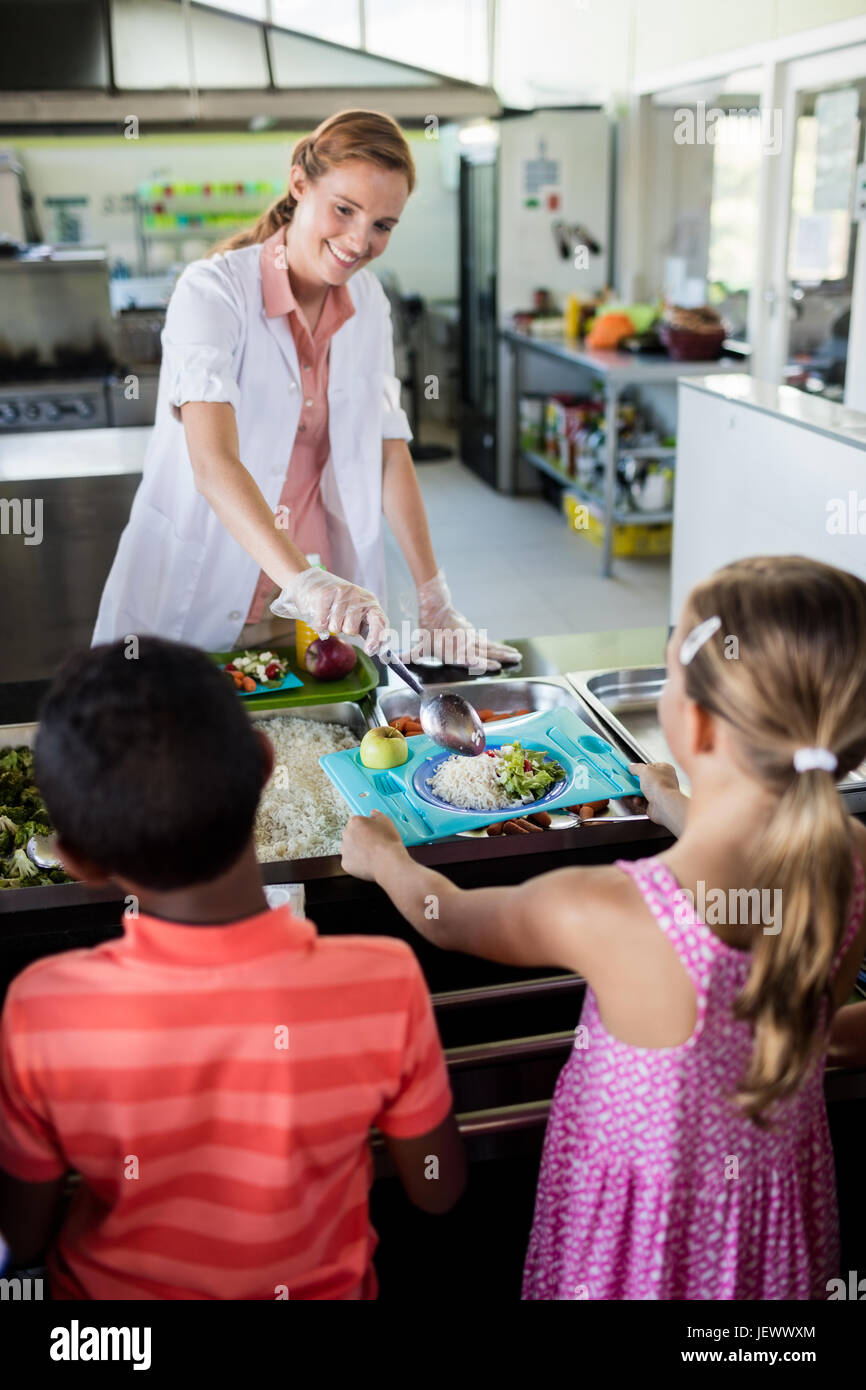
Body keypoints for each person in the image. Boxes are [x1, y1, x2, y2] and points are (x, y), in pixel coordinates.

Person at [341, 555, 866, 1300]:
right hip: (775, 1222)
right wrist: (679, 807)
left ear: (697, 723)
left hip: (637, 1238)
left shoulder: (616, 909)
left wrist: (384, 859)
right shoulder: (850, 856)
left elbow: (449, 918)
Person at [0, 639, 465, 1299]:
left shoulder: (41, 1007)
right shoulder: (383, 978)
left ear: (75, 859)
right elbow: (438, 1189)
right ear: (265, 764)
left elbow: (22, 1231)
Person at [92, 108, 518, 672]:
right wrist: (307, 581)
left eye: (383, 225)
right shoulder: (214, 292)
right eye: (345, 209)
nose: (358, 240)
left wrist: (432, 596)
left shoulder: (368, 304)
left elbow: (388, 452)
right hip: (203, 592)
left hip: (312, 614)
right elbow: (213, 463)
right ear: (299, 184)